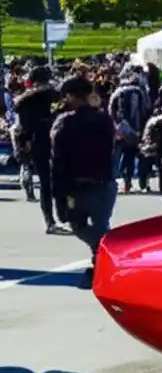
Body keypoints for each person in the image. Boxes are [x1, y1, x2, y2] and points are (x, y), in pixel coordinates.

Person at [49, 76, 117, 288]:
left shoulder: (64, 122)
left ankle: (101, 257)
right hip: (102, 181)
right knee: (101, 223)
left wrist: (57, 192)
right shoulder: (104, 119)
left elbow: (57, 158)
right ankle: (102, 258)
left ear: (71, 96)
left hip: (75, 183)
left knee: (77, 224)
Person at [12, 66, 61, 233]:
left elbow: (21, 125)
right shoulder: (56, 95)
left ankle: (50, 220)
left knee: (45, 182)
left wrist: (23, 141)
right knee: (58, 180)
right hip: (57, 140)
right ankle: (63, 214)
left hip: (37, 141)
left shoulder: (25, 100)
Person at [108, 69, 153, 194]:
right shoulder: (140, 92)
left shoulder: (117, 92)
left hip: (122, 129)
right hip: (138, 129)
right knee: (141, 155)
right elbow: (146, 109)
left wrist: (116, 125)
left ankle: (126, 181)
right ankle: (143, 182)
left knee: (123, 155)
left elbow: (111, 110)